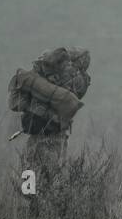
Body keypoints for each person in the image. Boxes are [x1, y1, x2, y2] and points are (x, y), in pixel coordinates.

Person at [15, 46, 91, 191]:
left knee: (29, 178)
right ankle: (48, 209)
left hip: (37, 136)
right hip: (59, 138)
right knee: (53, 182)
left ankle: (31, 208)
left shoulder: (47, 75)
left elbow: (20, 102)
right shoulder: (80, 82)